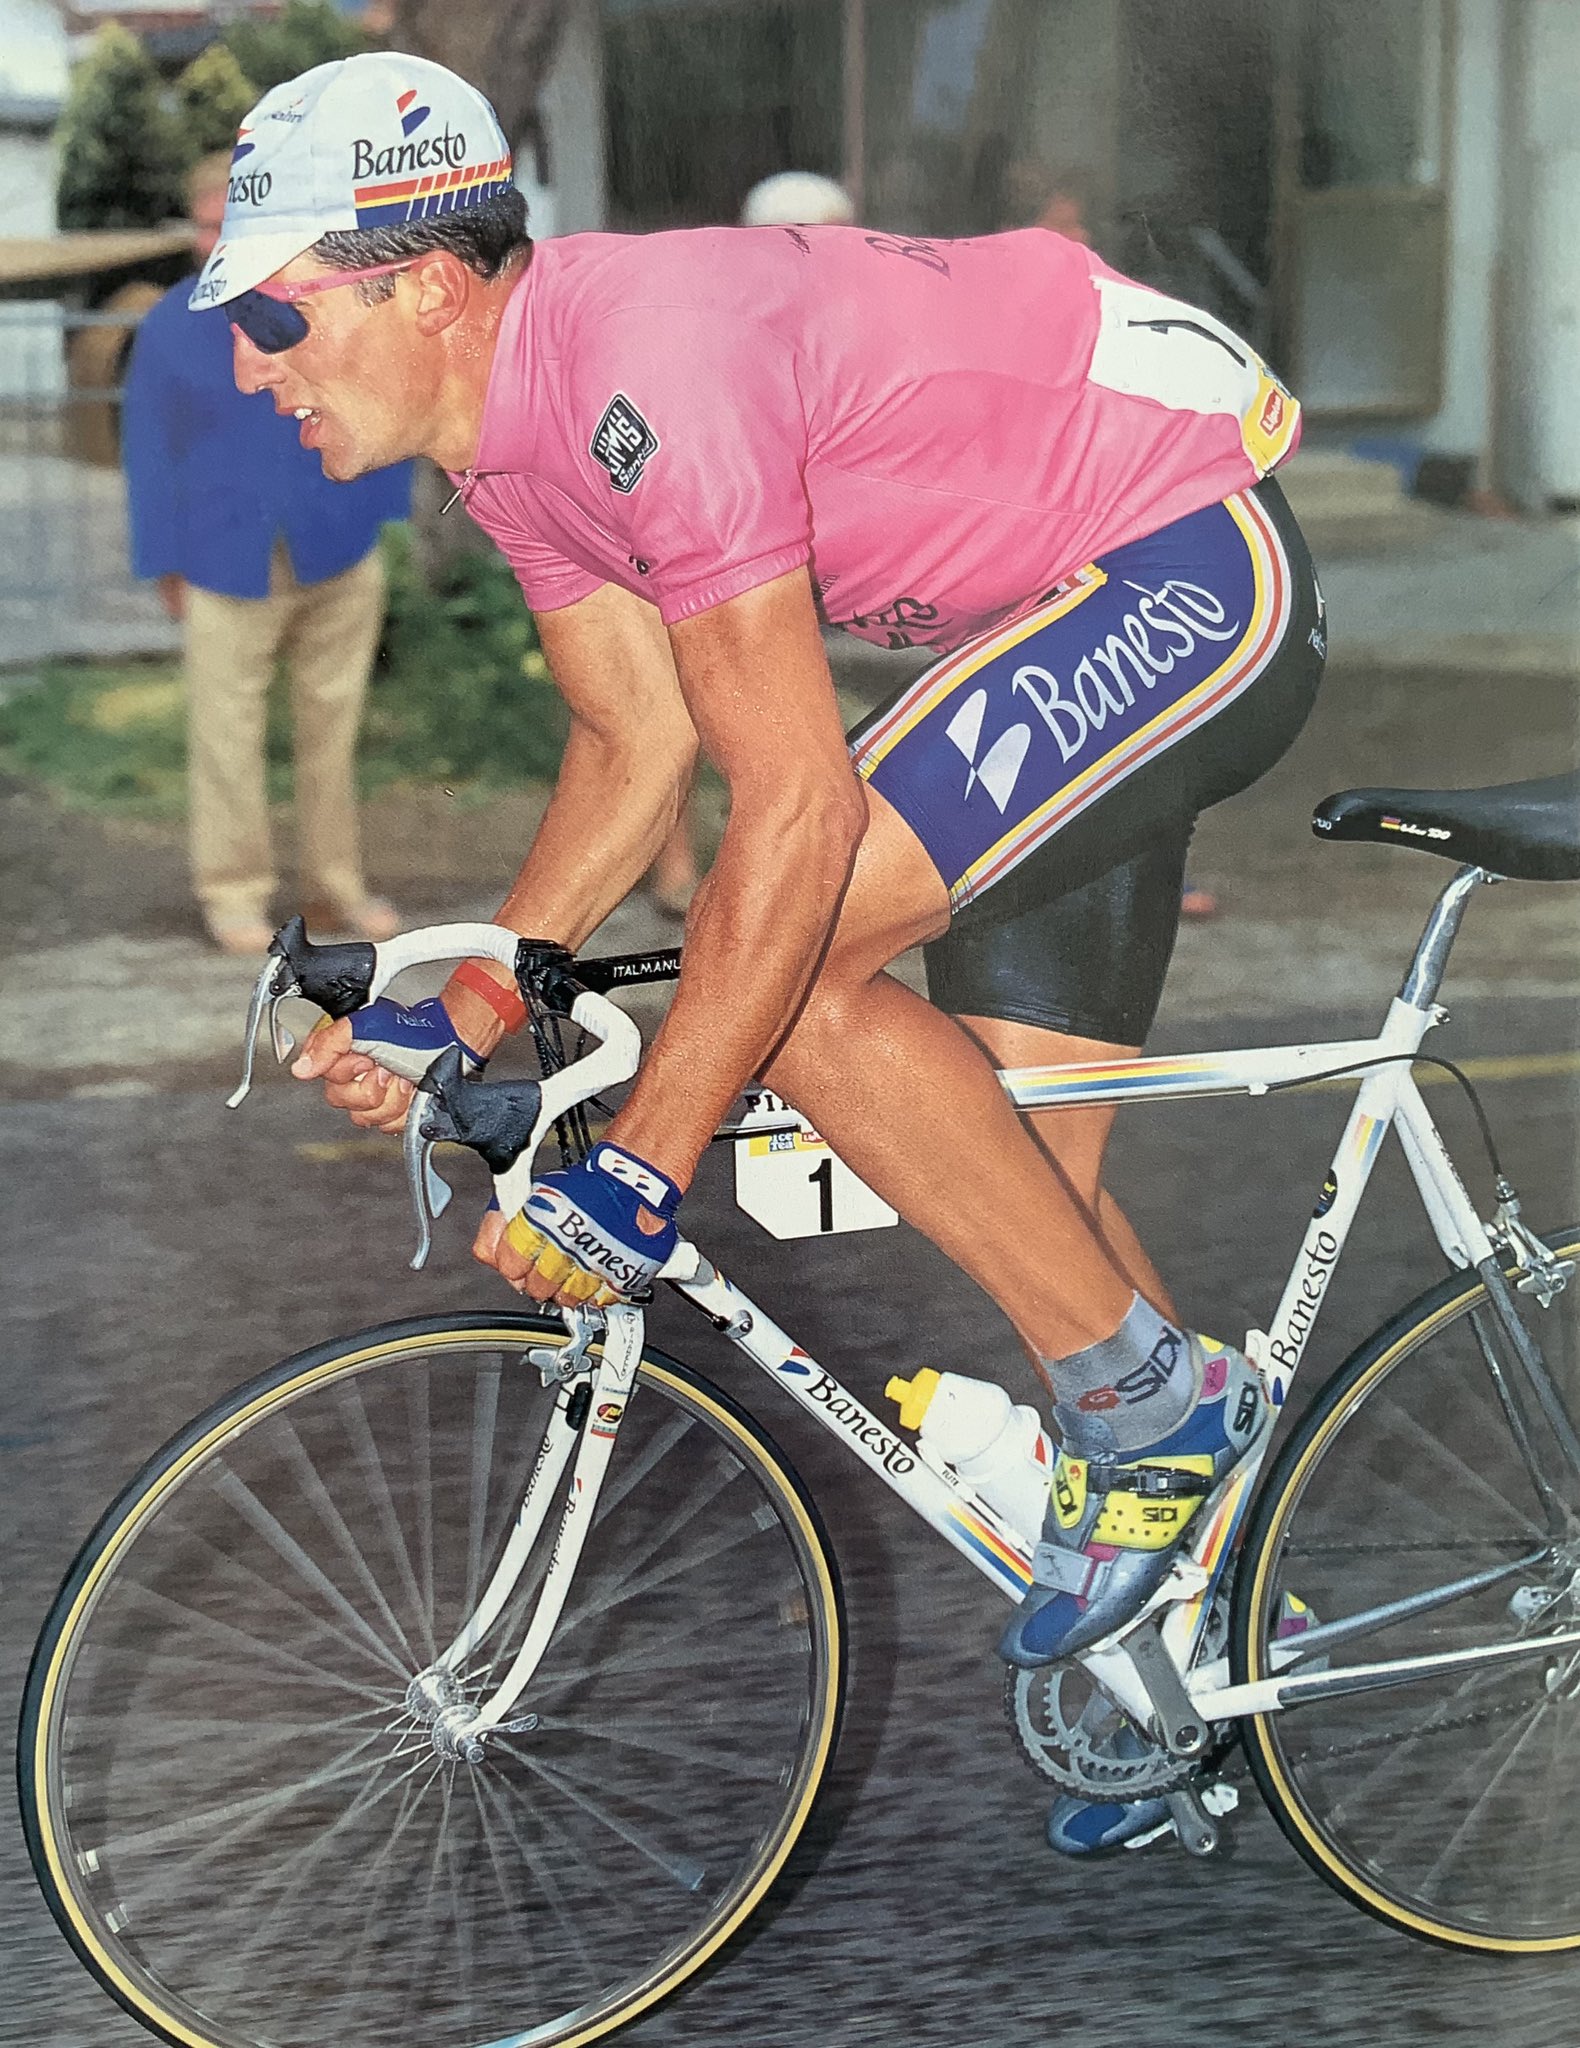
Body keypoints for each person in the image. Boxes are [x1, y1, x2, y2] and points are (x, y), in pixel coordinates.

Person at [200, 54, 1323, 1852]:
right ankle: (1213, 1655)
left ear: (421, 280)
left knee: (778, 972)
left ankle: (1162, 1413)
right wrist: (475, 1000)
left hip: (1183, 569)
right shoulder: (514, 451)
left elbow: (787, 815)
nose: (250, 364)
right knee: (1029, 1200)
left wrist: (644, 1165)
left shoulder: (645, 365)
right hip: (1047, 615)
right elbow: (629, 750)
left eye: (271, 313)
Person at [123, 150, 413, 954]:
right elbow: (149, 450)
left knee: (333, 728)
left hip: (338, 548)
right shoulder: (169, 323)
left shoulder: (320, 302)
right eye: (207, 224)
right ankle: (233, 895)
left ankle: (335, 889)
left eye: (234, 223)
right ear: (190, 230)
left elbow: (380, 401)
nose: (220, 239)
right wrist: (164, 563)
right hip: (222, 559)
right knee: (224, 735)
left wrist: (381, 517)